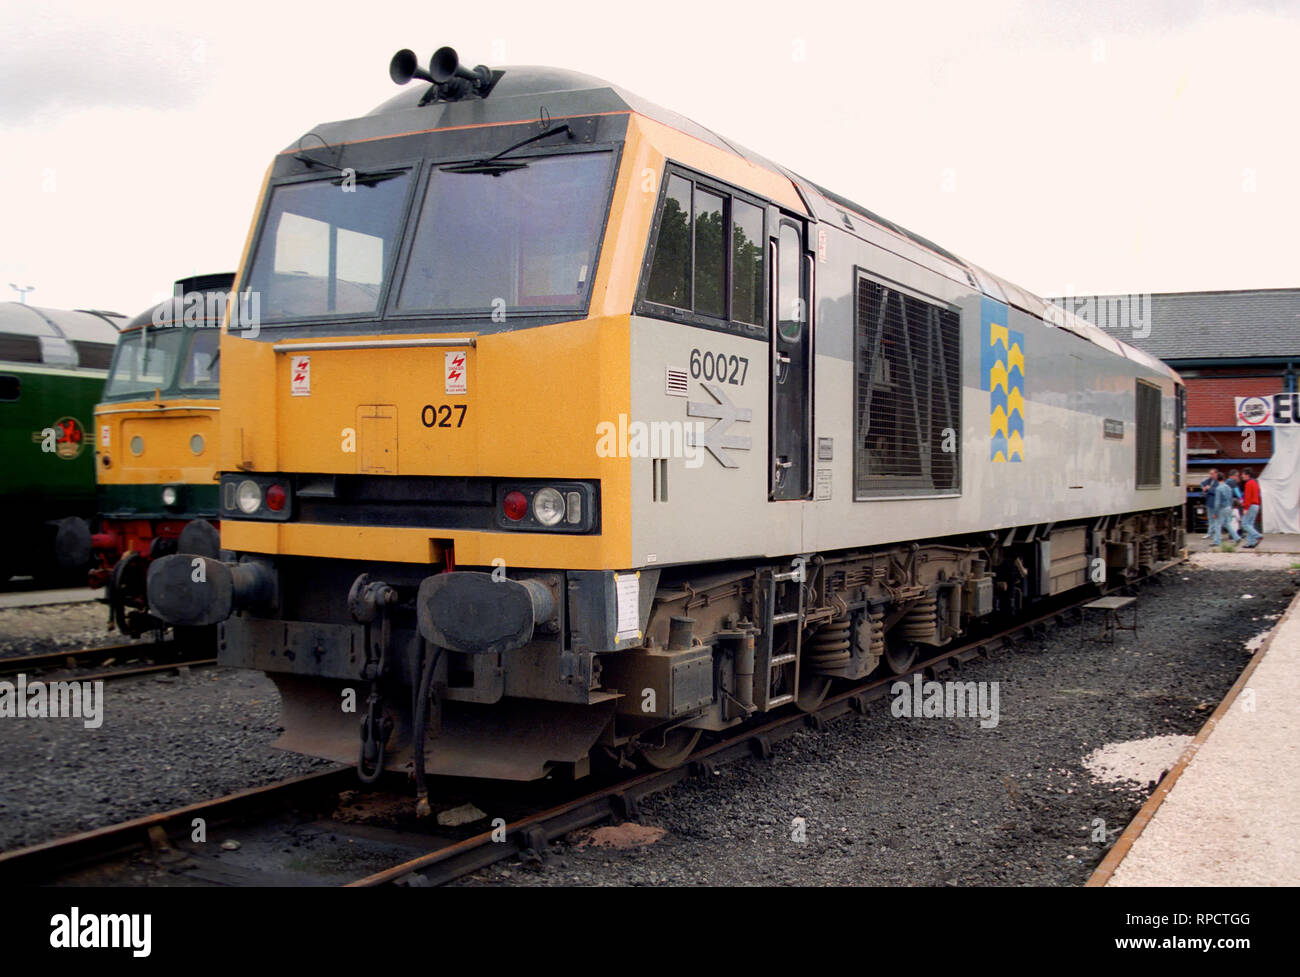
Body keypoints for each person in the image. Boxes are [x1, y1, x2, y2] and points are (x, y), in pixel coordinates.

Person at [1210, 472, 1241, 546]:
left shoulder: (1218, 488)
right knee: (1227, 524)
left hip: (1221, 508)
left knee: (1217, 524)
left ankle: (1217, 541)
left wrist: (1215, 513)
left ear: (1217, 479)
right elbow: (1231, 499)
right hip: (1228, 507)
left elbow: (1217, 502)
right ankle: (1236, 537)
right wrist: (1230, 508)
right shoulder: (1228, 487)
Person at [1240, 467, 1263, 548]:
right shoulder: (1255, 483)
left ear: (1247, 475)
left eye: (1243, 474)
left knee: (1245, 524)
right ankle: (1251, 543)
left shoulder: (1248, 483)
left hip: (1251, 505)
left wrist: (1245, 508)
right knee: (1250, 524)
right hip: (1256, 505)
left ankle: (1258, 536)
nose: (1242, 476)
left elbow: (1248, 497)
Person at [1199, 467, 1220, 537]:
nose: (1211, 475)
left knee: (1215, 519)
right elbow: (1202, 484)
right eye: (1210, 474)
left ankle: (1214, 533)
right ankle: (1210, 533)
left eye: (1212, 474)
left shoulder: (1219, 481)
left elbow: (1217, 491)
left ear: (1216, 474)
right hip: (1209, 502)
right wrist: (1204, 488)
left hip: (1215, 503)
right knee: (1210, 519)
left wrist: (1209, 488)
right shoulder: (1209, 481)